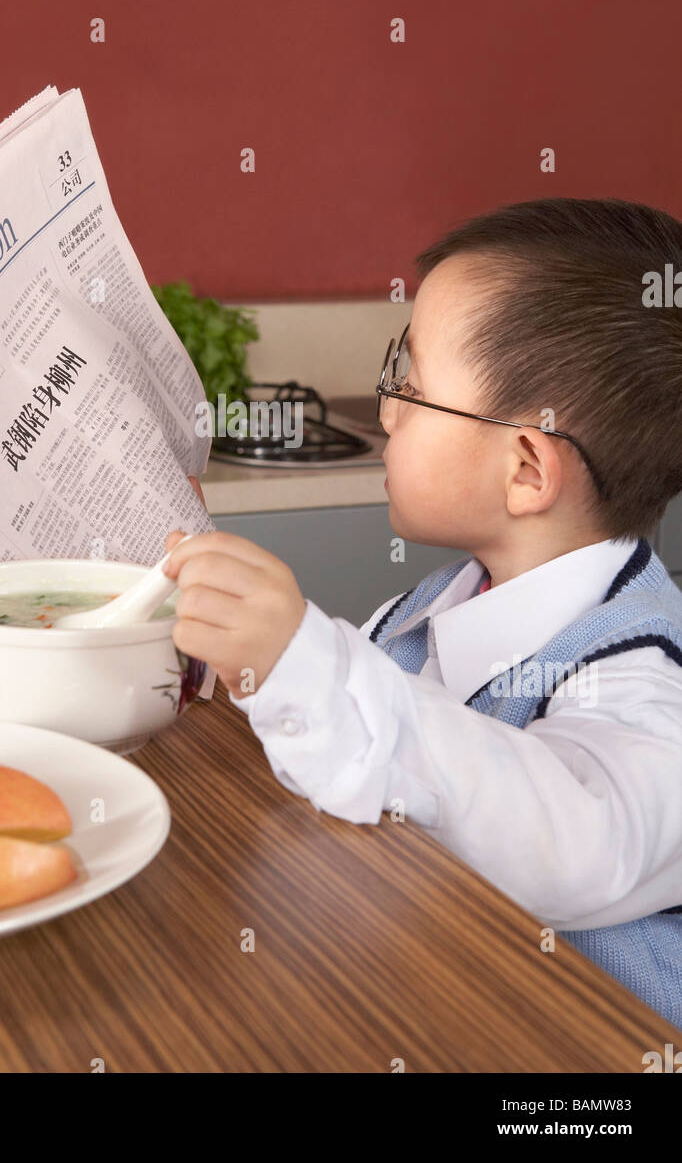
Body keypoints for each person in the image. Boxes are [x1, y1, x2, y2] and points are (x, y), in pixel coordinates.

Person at [163, 197, 682, 1029]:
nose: (389, 410)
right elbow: (335, 733)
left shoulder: (646, 684)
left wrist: (303, 661)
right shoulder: (430, 610)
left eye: (411, 383)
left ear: (525, 468)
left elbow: (573, 837)